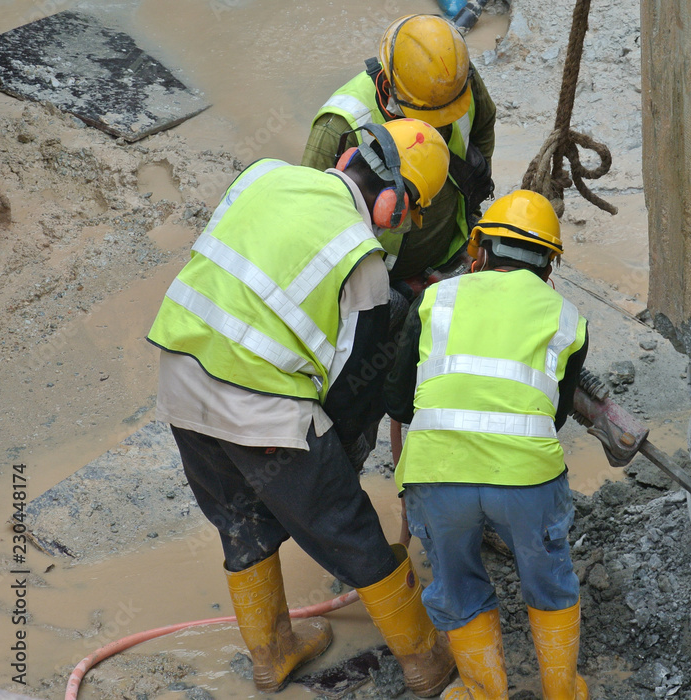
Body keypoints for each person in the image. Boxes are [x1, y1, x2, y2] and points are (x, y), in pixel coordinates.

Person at [146, 118, 456, 696]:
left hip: (180, 380)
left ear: (346, 161)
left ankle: (272, 655)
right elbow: (350, 386)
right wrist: (331, 467)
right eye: (410, 212)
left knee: (238, 518)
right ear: (391, 205)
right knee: (349, 525)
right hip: (261, 410)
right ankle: (424, 661)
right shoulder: (361, 258)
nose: (403, 224)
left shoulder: (263, 175)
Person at [384, 190, 591, 699]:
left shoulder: (436, 300)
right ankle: (562, 691)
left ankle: (484, 692)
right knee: (549, 579)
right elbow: (556, 414)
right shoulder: (568, 319)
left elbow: (397, 399)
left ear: (478, 252)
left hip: (436, 473)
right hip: (525, 477)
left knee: (456, 583)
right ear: (549, 266)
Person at [302, 14, 497, 291]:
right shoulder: (340, 125)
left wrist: (472, 207)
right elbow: (313, 225)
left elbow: (484, 125)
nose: (436, 127)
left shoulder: (451, 80)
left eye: (443, 116)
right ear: (385, 87)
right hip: (380, 274)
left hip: (452, 244)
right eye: (425, 117)